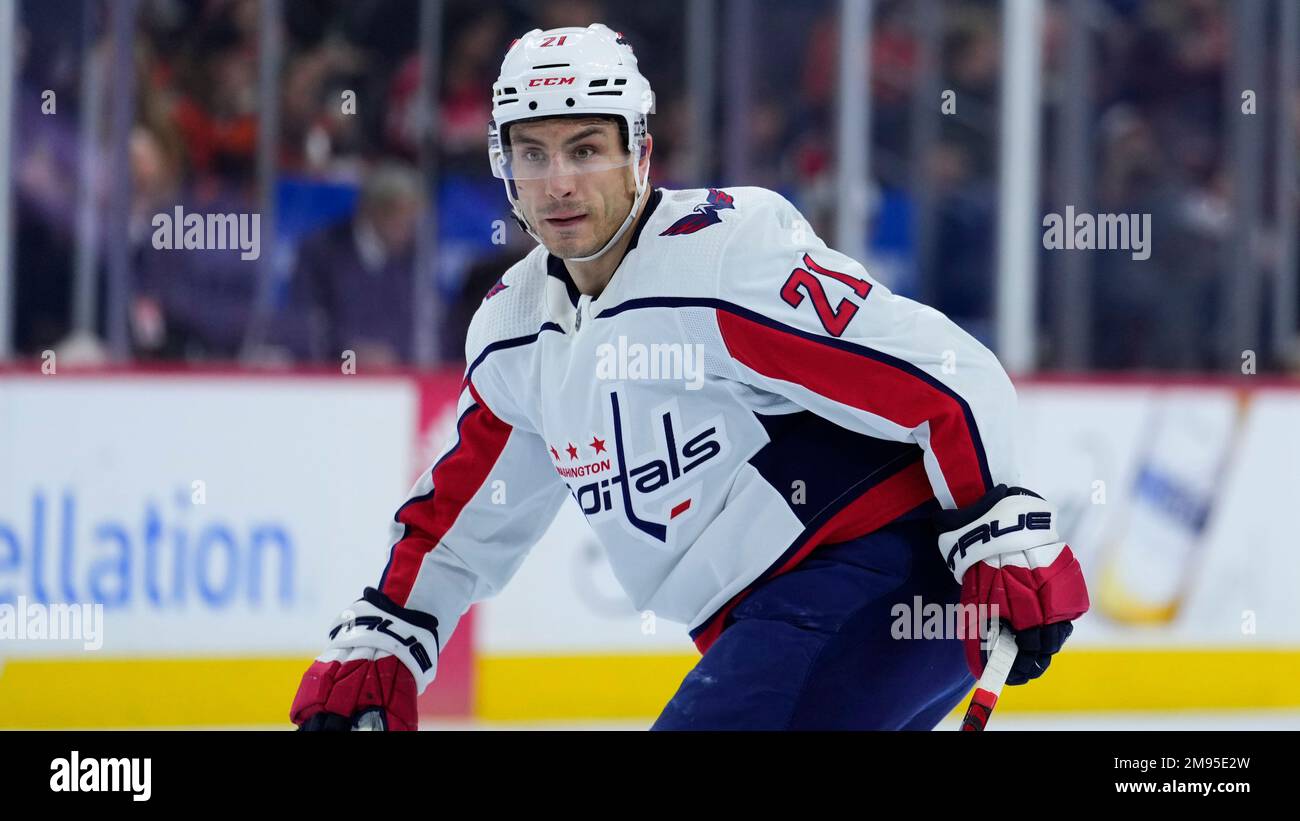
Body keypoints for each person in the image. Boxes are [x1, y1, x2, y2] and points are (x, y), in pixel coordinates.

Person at [290, 24, 1090, 731]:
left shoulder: (721, 258)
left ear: (638, 152)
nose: (559, 181)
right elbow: (462, 517)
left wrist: (998, 527)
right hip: (775, 621)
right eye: (533, 154)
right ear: (504, 167)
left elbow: (942, 372)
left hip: (883, 578)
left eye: (585, 149)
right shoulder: (513, 329)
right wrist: (390, 634)